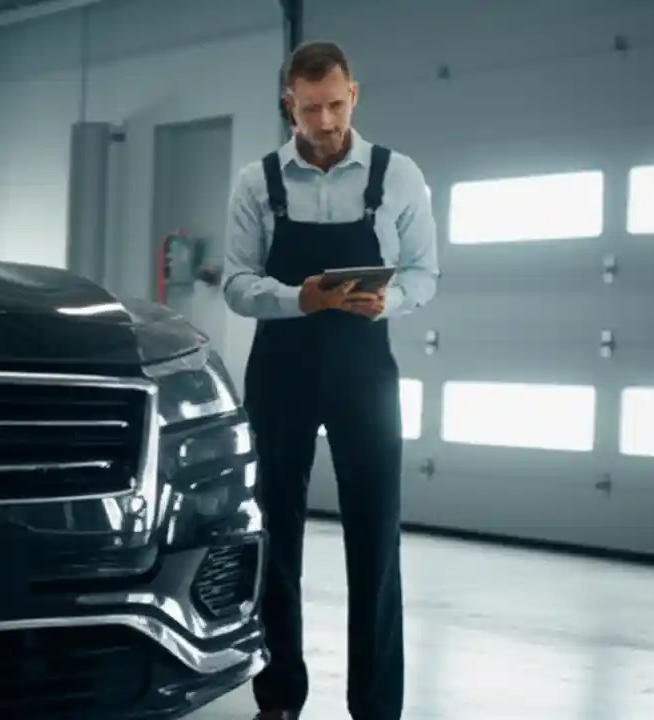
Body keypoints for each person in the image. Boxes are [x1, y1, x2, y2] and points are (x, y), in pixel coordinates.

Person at [222, 40, 439, 720]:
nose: (324, 122)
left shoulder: (397, 174)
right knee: (274, 537)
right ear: (290, 101)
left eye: (336, 104)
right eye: (310, 108)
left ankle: (376, 708)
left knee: (374, 537)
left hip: (364, 369)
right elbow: (235, 284)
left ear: (355, 94)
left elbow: (425, 274)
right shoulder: (257, 182)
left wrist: (391, 301)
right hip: (281, 369)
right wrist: (300, 299)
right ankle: (279, 697)